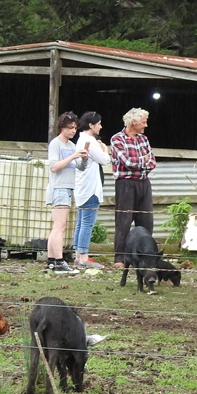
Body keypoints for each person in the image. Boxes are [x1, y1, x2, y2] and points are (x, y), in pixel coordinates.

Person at [110, 107, 156, 268]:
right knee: (124, 221)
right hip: (126, 184)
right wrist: (143, 161)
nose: (146, 125)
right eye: (143, 122)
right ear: (134, 122)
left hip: (144, 183)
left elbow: (152, 162)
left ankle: (145, 256)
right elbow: (127, 163)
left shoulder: (143, 139)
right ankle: (120, 258)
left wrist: (141, 163)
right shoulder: (117, 139)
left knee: (146, 221)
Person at [46, 112, 88, 274]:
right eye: (70, 128)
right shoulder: (55, 144)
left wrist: (83, 158)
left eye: (75, 128)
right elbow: (54, 167)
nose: (73, 131)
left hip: (69, 188)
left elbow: (80, 166)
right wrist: (73, 156)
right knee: (60, 226)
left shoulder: (71, 146)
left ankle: (51, 261)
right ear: (62, 127)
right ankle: (59, 261)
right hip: (59, 188)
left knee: (57, 227)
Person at [72, 111, 111, 268]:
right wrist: (105, 150)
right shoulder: (90, 141)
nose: (101, 127)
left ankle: (78, 256)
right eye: (99, 124)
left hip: (83, 187)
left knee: (81, 222)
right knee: (87, 223)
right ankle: (83, 258)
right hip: (90, 188)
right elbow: (104, 160)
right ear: (91, 125)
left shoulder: (81, 140)